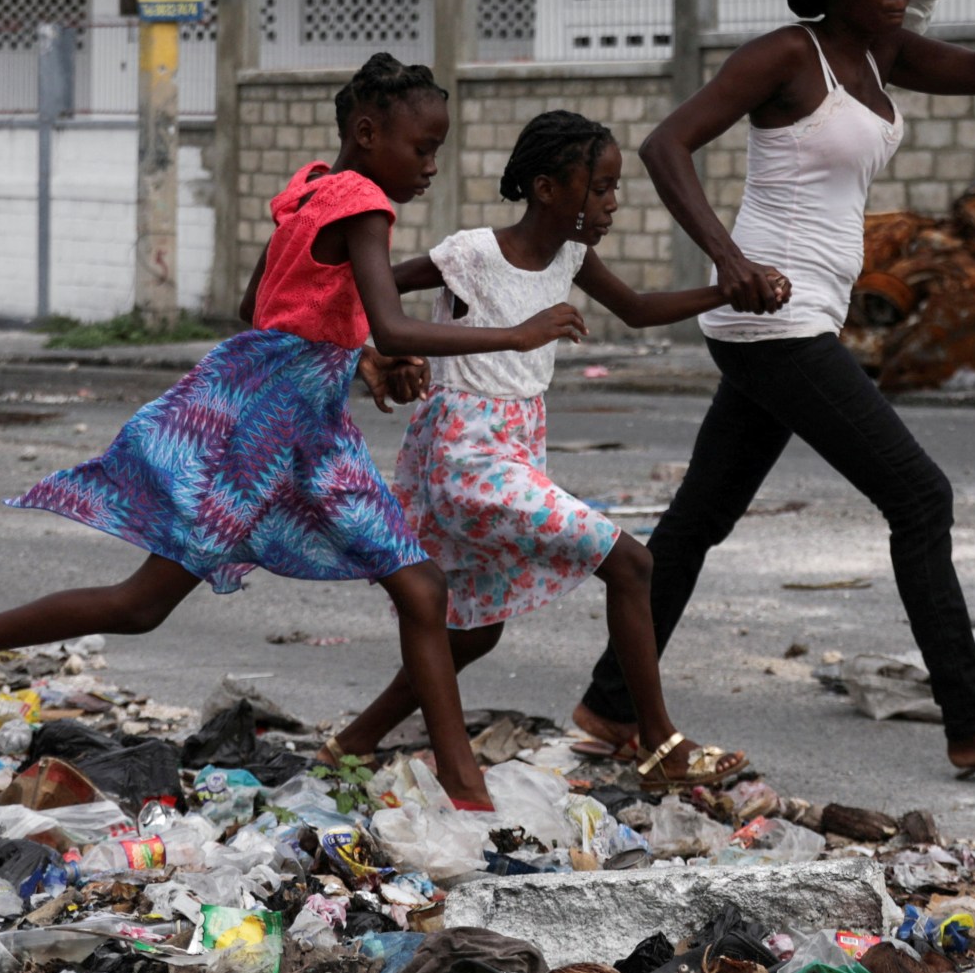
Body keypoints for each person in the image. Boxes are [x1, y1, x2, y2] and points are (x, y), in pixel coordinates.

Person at [0, 54, 585, 812]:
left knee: (407, 586)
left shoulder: (311, 188)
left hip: (289, 421)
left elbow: (265, 305)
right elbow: (388, 316)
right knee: (166, 602)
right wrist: (513, 336)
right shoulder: (361, 201)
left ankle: (462, 786)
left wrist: (363, 363)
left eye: (437, 149)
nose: (431, 166)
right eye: (422, 148)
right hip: (266, 432)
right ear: (368, 133)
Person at [573, 0, 975, 778]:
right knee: (920, 497)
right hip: (773, 317)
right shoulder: (785, 55)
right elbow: (665, 145)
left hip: (794, 320)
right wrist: (726, 258)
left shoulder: (885, 58)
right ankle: (972, 722)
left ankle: (610, 707)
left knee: (696, 522)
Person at [321, 111, 787, 792]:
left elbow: (637, 308)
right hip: (463, 456)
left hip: (516, 450)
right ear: (546, 187)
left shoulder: (570, 256)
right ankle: (660, 746)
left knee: (477, 632)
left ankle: (355, 740)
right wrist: (377, 354)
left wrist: (730, 290)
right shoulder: (471, 252)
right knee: (630, 562)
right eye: (598, 189)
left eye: (613, 190)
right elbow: (375, 288)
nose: (611, 204)